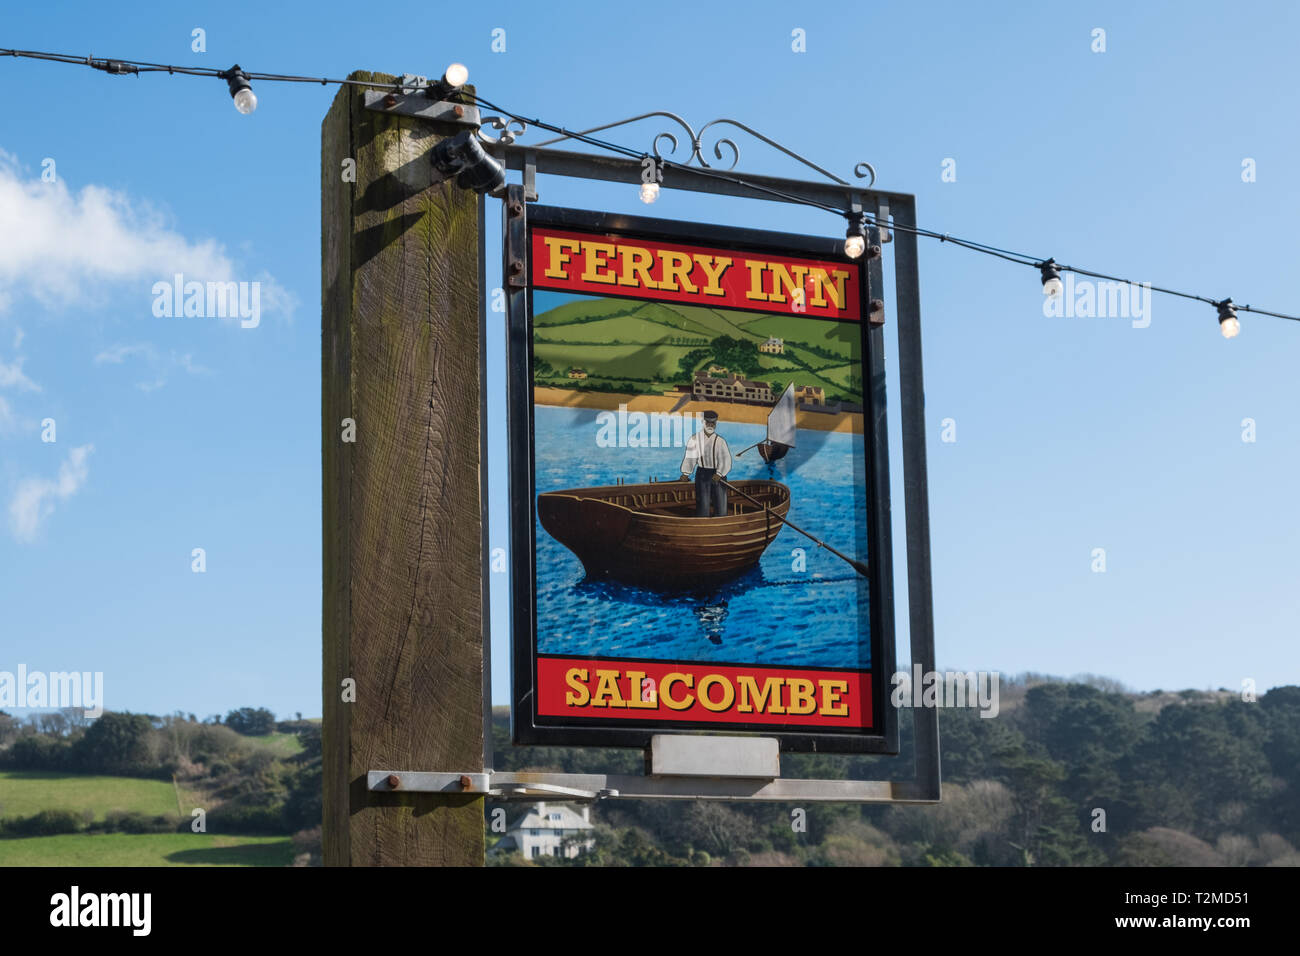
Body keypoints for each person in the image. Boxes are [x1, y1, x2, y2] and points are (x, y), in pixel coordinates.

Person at [680, 410, 732, 517]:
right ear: (703, 422)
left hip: (718, 476)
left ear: (716, 424)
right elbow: (690, 458)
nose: (710, 425)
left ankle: (721, 523)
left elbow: (726, 460)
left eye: (713, 423)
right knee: (703, 504)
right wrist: (686, 473)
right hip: (702, 474)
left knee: (720, 504)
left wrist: (720, 473)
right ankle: (702, 524)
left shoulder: (720, 441)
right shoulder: (694, 439)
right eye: (708, 422)